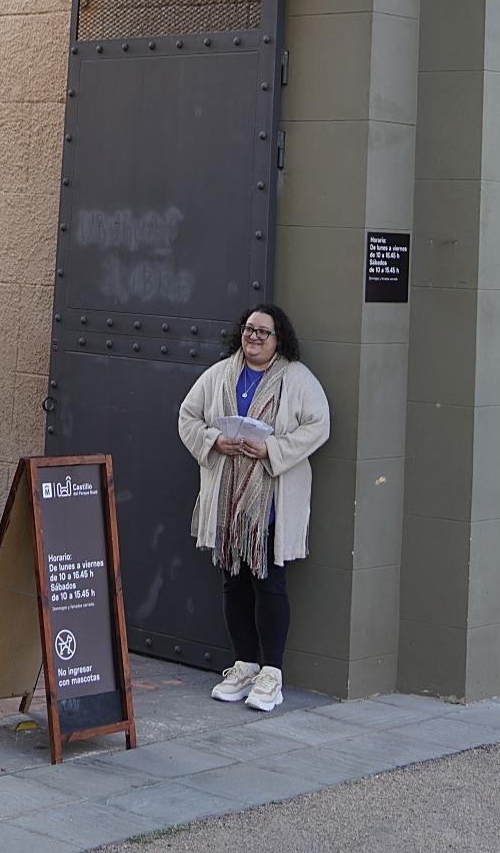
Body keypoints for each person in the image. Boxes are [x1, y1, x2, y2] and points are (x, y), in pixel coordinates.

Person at [175, 302, 330, 713]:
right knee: (233, 582)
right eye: (249, 330)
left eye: (263, 332)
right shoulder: (220, 374)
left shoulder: (295, 379)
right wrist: (213, 441)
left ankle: (271, 674)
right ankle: (243, 665)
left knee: (270, 583)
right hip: (227, 500)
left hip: (271, 501)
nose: (254, 338)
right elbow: (187, 416)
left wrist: (273, 449)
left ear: (279, 339)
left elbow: (319, 424)